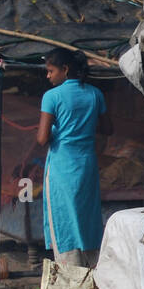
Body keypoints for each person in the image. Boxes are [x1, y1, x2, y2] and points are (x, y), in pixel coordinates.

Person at [36, 48, 111, 268]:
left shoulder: (52, 97)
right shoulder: (95, 94)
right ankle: (94, 269)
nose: (47, 76)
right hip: (87, 164)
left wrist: (60, 131)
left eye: (50, 71)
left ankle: (71, 272)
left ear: (65, 69)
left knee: (63, 218)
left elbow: (42, 139)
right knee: (87, 216)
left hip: (62, 166)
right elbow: (108, 128)